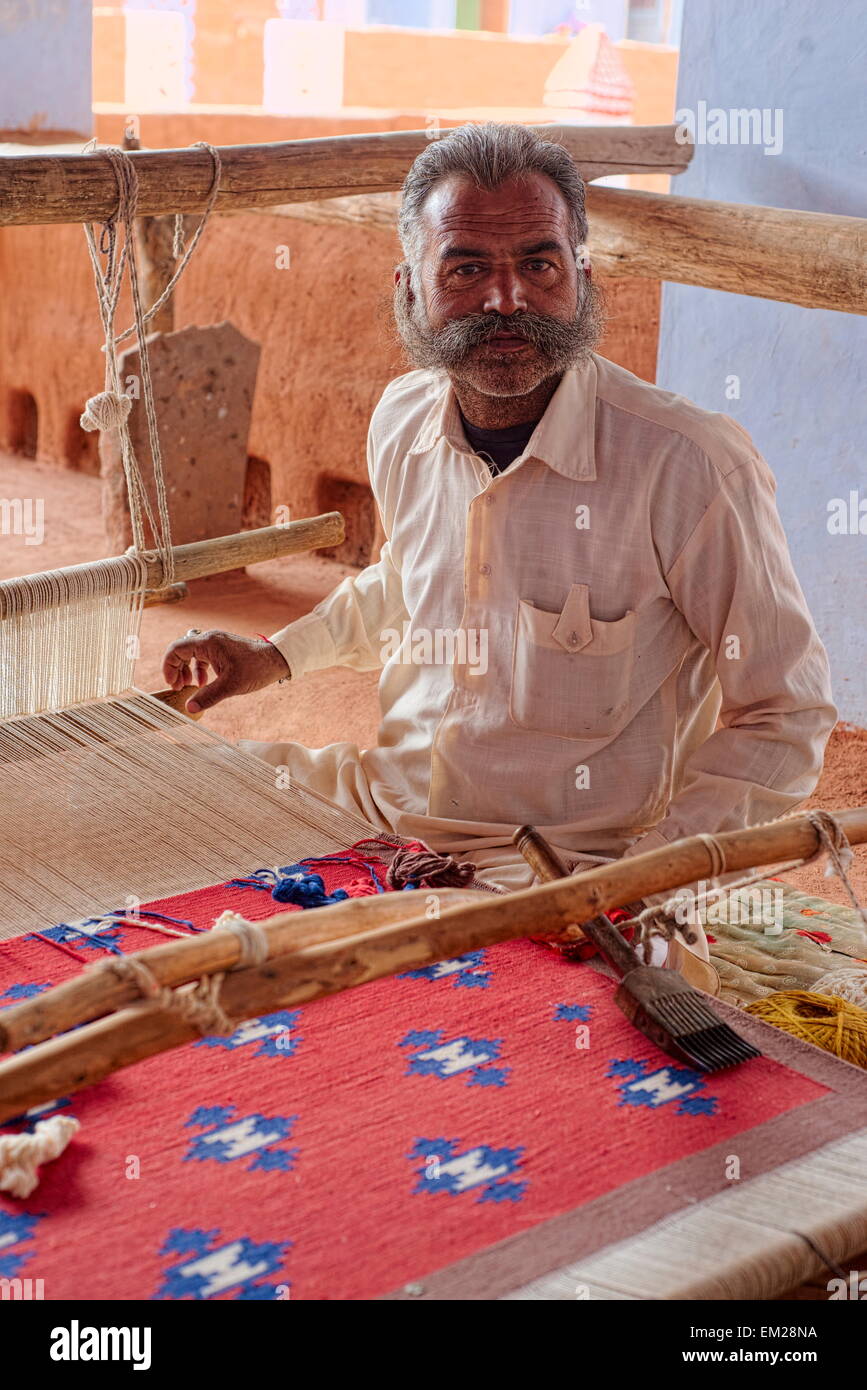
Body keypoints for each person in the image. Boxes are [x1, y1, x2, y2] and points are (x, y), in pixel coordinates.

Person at [162, 123, 837, 964]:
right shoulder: (402, 418)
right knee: (144, 816)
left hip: (563, 865)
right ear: (410, 289)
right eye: (467, 268)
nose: (505, 299)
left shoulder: (689, 465)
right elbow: (410, 581)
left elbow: (785, 712)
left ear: (581, 279)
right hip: (382, 812)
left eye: (538, 264)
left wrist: (649, 880)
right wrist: (273, 656)